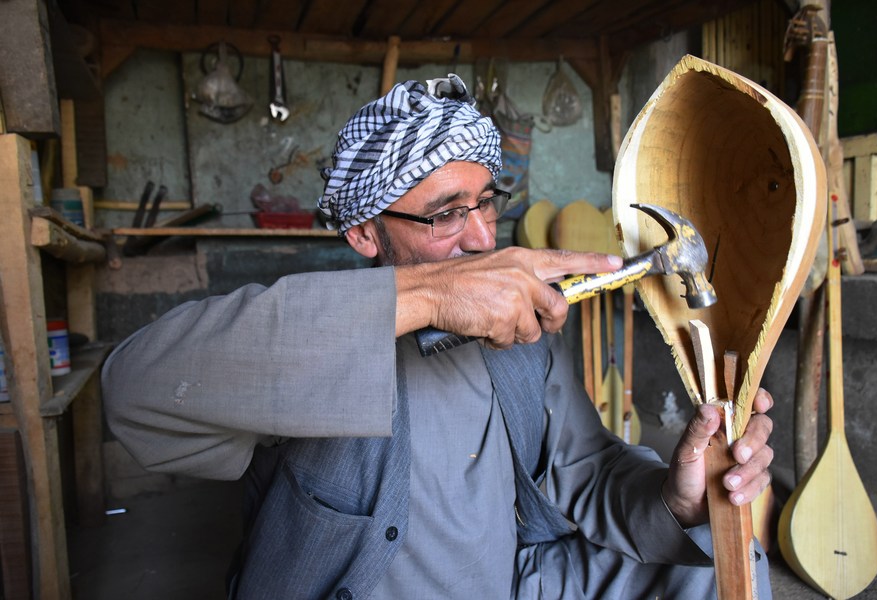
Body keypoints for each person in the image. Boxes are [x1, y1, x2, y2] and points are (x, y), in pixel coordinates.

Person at [102, 74, 775, 600]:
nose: (483, 238)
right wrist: (428, 295)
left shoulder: (522, 333)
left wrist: (676, 496)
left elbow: (583, 472)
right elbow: (132, 389)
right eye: (445, 214)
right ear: (365, 232)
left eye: (486, 202)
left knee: (722, 554)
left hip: (515, 584)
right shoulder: (310, 340)